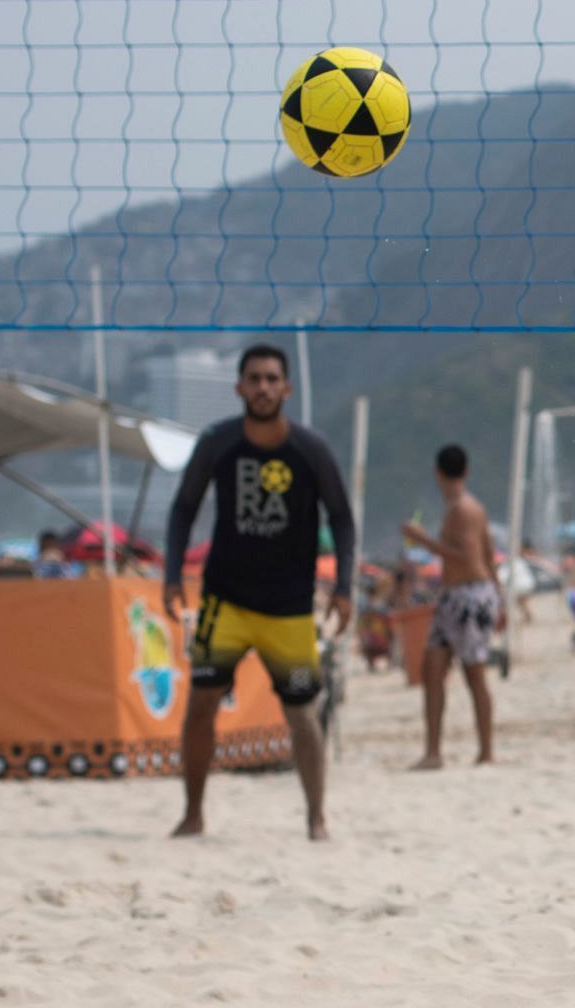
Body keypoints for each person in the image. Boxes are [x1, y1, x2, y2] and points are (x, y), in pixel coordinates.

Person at [162, 344, 354, 842]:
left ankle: (316, 818)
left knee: (302, 714)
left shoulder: (310, 449)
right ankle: (192, 814)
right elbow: (183, 508)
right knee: (200, 705)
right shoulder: (218, 442)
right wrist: (169, 576)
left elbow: (341, 517)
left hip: (289, 609)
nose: (263, 387)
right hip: (224, 602)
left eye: (272, 379)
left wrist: (346, 587)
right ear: (239, 388)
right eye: (254, 379)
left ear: (286, 389)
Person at [401, 444, 504, 770]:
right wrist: (499, 597)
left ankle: (486, 750)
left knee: (474, 675)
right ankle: (434, 752)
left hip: (468, 596)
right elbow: (488, 553)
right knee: (432, 671)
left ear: (437, 473)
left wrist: (422, 540)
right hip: (460, 596)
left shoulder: (461, 509)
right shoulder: (472, 507)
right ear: (466, 471)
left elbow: (468, 556)